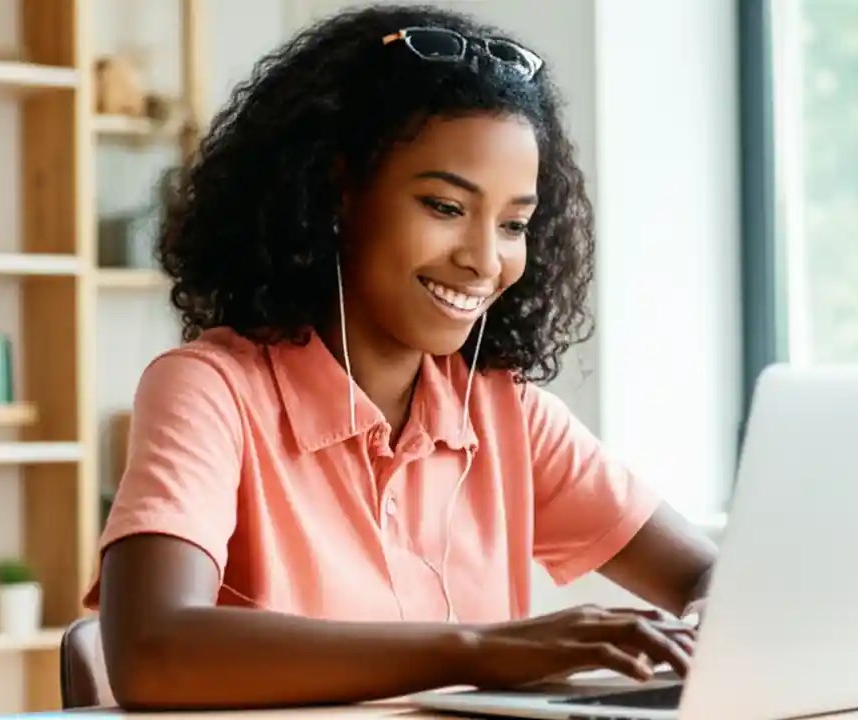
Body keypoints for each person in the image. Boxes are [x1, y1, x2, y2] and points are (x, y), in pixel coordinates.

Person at [85, 5, 717, 711]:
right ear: (337, 191)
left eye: (513, 224)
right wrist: (480, 650)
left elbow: (715, 578)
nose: (485, 259)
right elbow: (151, 654)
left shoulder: (506, 416)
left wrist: (707, 635)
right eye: (445, 207)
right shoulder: (211, 391)